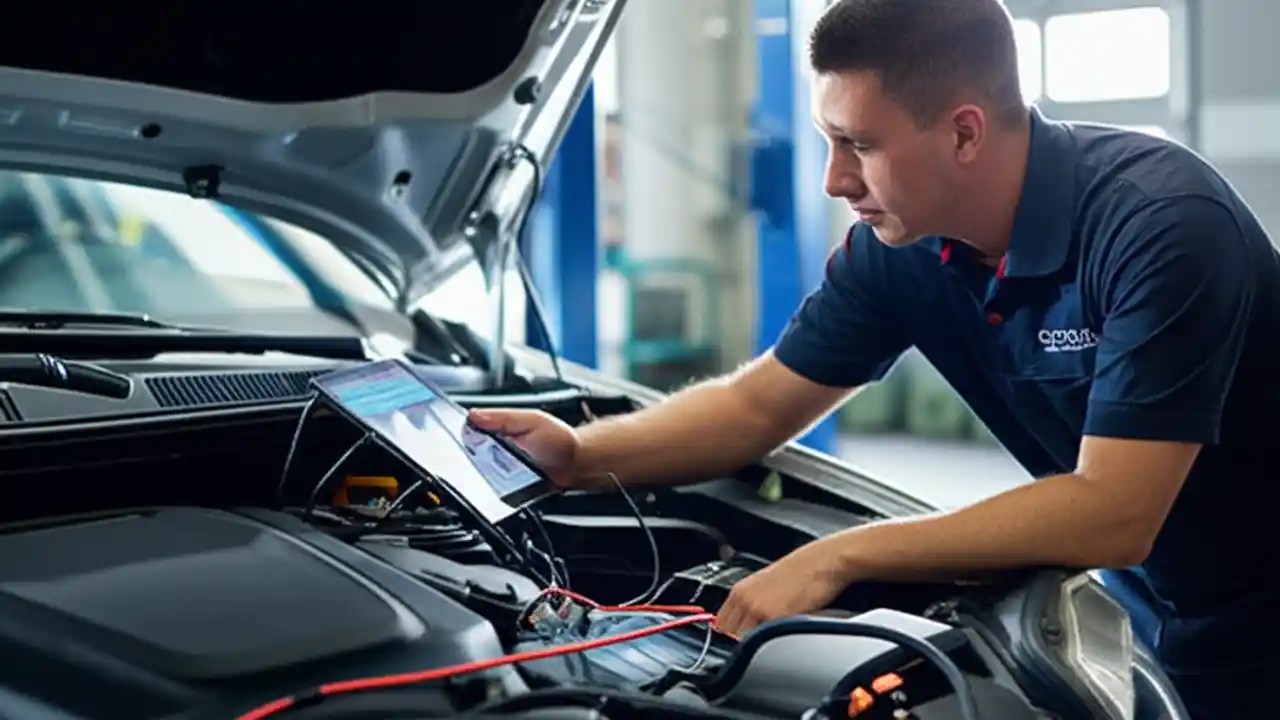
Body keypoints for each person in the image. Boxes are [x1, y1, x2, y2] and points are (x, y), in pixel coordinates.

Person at [468, 1, 1280, 716]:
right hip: (1153, 611)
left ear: (964, 130)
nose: (831, 179)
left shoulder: (1162, 226)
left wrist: (841, 554)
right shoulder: (901, 248)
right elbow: (757, 406)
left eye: (857, 142)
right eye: (828, 139)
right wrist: (579, 454)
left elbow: (1115, 510)